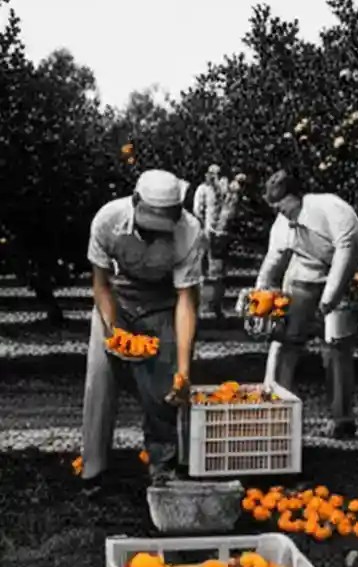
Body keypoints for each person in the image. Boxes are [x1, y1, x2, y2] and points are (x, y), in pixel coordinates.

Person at [81, 169, 204, 492]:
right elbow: (101, 283)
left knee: (164, 388)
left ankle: (163, 466)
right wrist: (114, 331)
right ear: (135, 203)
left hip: (162, 304)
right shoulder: (108, 220)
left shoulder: (190, 232)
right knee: (99, 379)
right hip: (116, 299)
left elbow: (186, 301)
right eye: (149, 230)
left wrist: (184, 368)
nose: (154, 237)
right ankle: (94, 469)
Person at [255, 169, 358, 439]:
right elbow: (273, 259)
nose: (280, 212)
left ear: (295, 196)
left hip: (339, 276)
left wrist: (330, 297)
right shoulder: (282, 223)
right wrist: (260, 292)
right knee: (285, 340)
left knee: (337, 348)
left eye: (282, 205)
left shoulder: (332, 210)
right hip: (303, 276)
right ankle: (277, 412)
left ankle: (342, 418)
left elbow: (346, 250)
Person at [192, 164, 239, 320]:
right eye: (212, 174)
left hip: (221, 233)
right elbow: (198, 211)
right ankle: (206, 306)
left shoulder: (228, 191)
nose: (215, 177)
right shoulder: (203, 189)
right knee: (205, 269)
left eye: (218, 174)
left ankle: (215, 306)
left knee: (219, 270)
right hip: (208, 233)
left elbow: (232, 210)